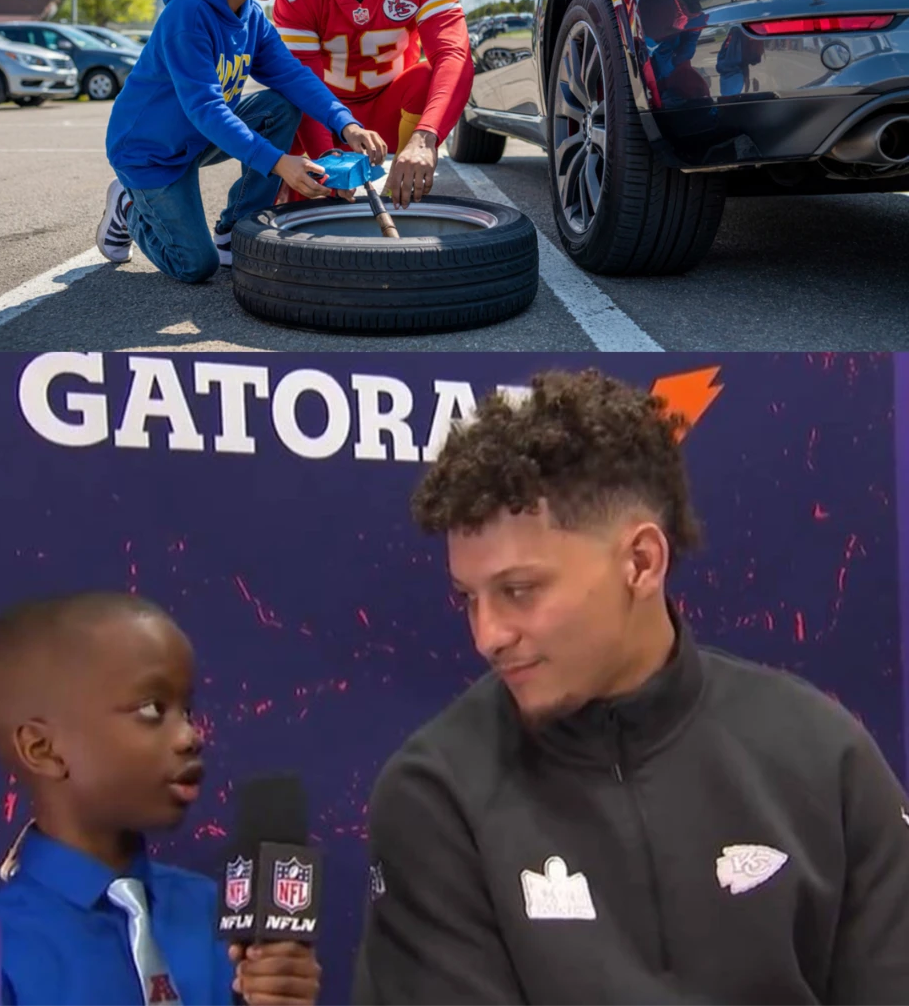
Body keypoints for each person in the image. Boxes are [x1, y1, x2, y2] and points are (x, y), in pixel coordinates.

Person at [352, 371, 909, 1005]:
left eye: (518, 591)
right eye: (468, 599)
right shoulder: (435, 795)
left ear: (641, 562)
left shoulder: (824, 756)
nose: (488, 636)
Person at [0, 590, 321, 1006]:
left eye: (186, 710)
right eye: (153, 709)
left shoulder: (220, 916)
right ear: (43, 749)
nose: (192, 736)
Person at [96, 0, 386, 278]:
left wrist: (345, 123)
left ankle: (236, 230)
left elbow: (292, 76)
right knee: (195, 267)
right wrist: (279, 163)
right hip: (150, 154)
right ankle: (127, 206)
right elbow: (207, 108)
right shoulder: (188, 16)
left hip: (198, 139)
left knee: (281, 105)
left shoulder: (250, 15)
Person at [272, 0, 473, 210]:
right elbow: (301, 81)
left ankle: (406, 182)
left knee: (426, 76)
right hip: (326, 117)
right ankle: (279, 194)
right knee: (280, 107)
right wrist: (327, 158)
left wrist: (426, 137)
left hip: (390, 114)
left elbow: (454, 56)